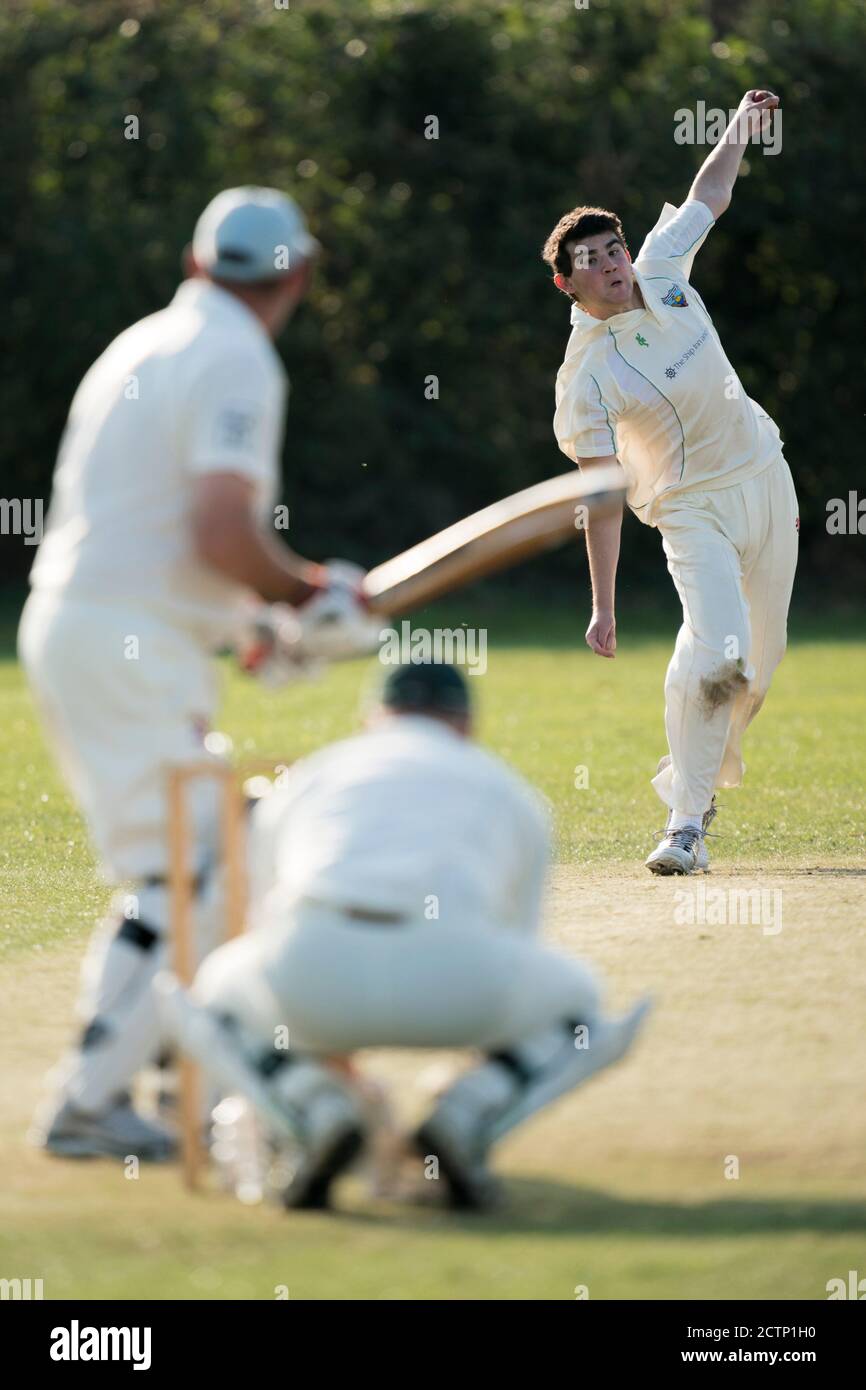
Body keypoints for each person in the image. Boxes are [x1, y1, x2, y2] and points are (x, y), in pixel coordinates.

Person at [20, 186, 377, 1158]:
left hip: (96, 629)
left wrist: (256, 620)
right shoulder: (235, 357)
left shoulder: (146, 342)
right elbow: (219, 529)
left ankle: (161, 1081)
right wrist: (308, 595)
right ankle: (95, 1102)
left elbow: (155, 533)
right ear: (295, 275)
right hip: (121, 642)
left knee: (175, 869)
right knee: (206, 865)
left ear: (195, 262)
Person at [162, 662, 649, 1211]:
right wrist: (480, 1062)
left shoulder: (310, 778)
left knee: (215, 993)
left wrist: (327, 1056)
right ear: (465, 724)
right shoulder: (511, 791)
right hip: (460, 981)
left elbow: (268, 925)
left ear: (374, 719)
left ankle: (317, 1107)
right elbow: (521, 939)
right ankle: (466, 1114)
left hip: (314, 972)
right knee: (580, 1005)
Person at [544, 90, 799, 875]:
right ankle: (687, 822)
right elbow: (600, 496)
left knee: (758, 661)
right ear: (567, 284)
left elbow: (708, 195)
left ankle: (694, 774)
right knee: (719, 651)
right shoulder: (587, 376)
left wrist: (736, 126)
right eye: (590, 261)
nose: (612, 266)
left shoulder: (663, 266)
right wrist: (603, 604)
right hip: (690, 511)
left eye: (612, 250)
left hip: (766, 476)